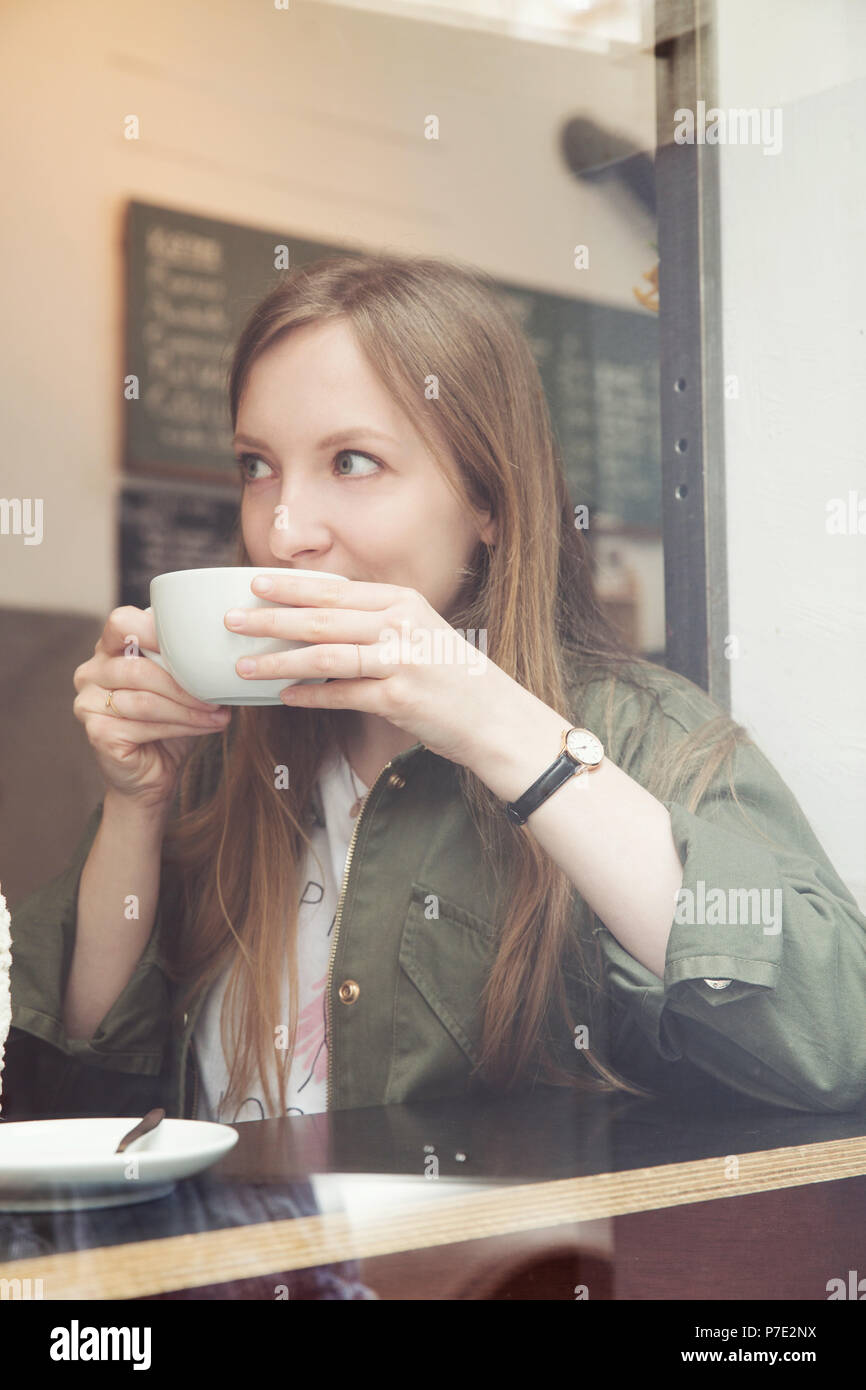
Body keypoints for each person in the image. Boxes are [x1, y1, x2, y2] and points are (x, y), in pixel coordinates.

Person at [7, 253, 866, 1125]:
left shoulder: (645, 735)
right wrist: (137, 807)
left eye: (350, 461)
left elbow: (838, 1041)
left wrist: (494, 723)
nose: (282, 528)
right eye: (257, 464)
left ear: (487, 502)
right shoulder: (224, 746)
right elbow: (70, 1094)